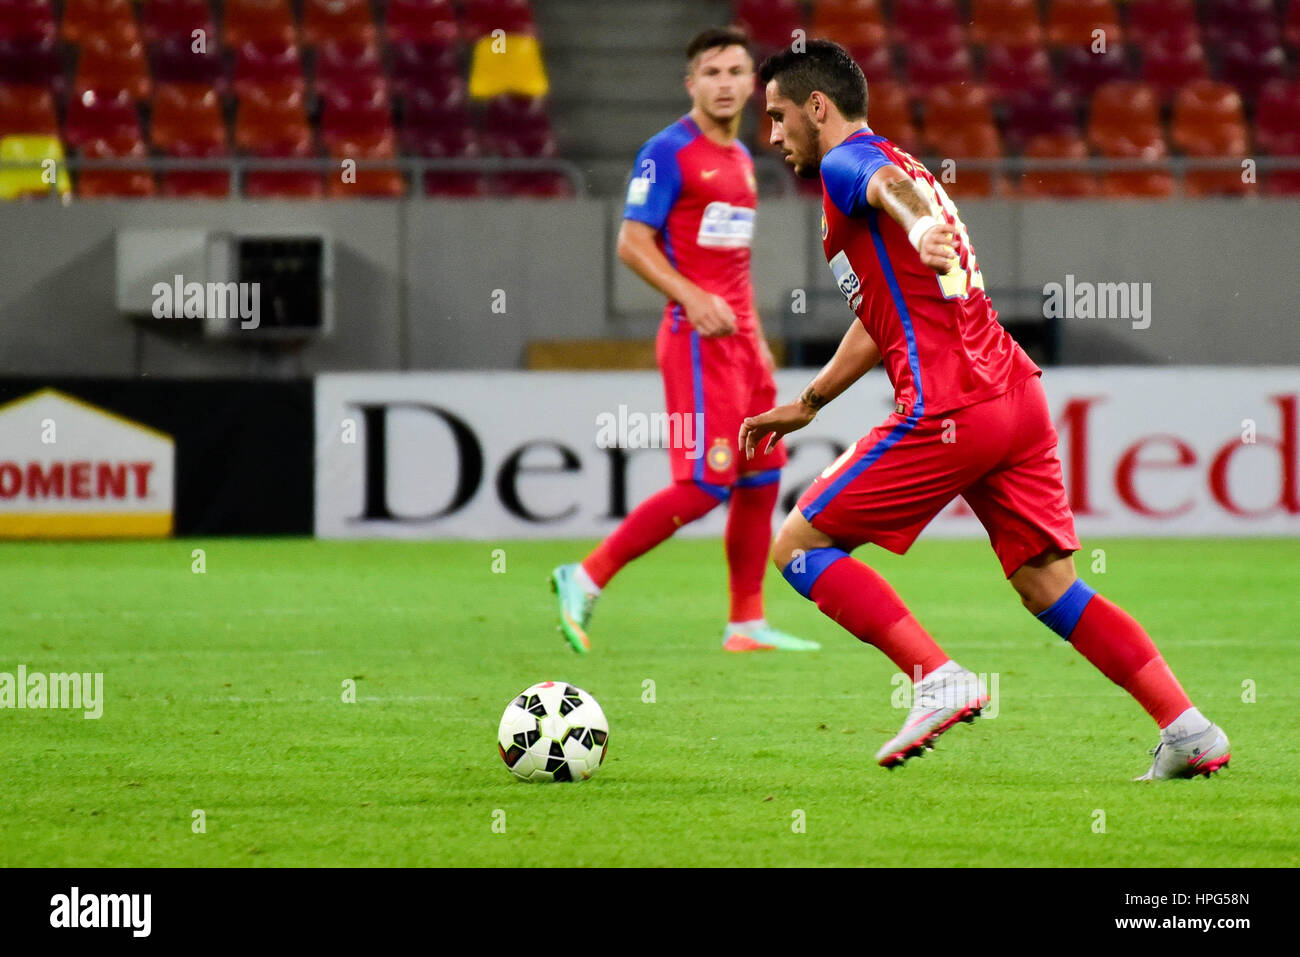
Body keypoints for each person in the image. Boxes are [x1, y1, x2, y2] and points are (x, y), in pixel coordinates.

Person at [740, 39, 1229, 779]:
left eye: (778, 116)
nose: (771, 136)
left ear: (819, 107)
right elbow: (880, 313)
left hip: (950, 407)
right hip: (1013, 395)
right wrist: (810, 400)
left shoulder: (852, 164)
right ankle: (1187, 727)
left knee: (797, 548)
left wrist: (917, 226)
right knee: (1049, 584)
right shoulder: (904, 165)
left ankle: (936, 678)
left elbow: (882, 192)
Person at [550, 27, 817, 655]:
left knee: (762, 472)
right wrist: (692, 298)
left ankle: (746, 622)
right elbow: (631, 243)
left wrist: (755, 343)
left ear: (753, 84)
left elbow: (734, 265)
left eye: (735, 72)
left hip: (741, 345)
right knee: (704, 484)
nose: (725, 84)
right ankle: (585, 575)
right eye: (712, 72)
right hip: (695, 343)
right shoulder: (667, 151)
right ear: (690, 82)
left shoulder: (745, 160)